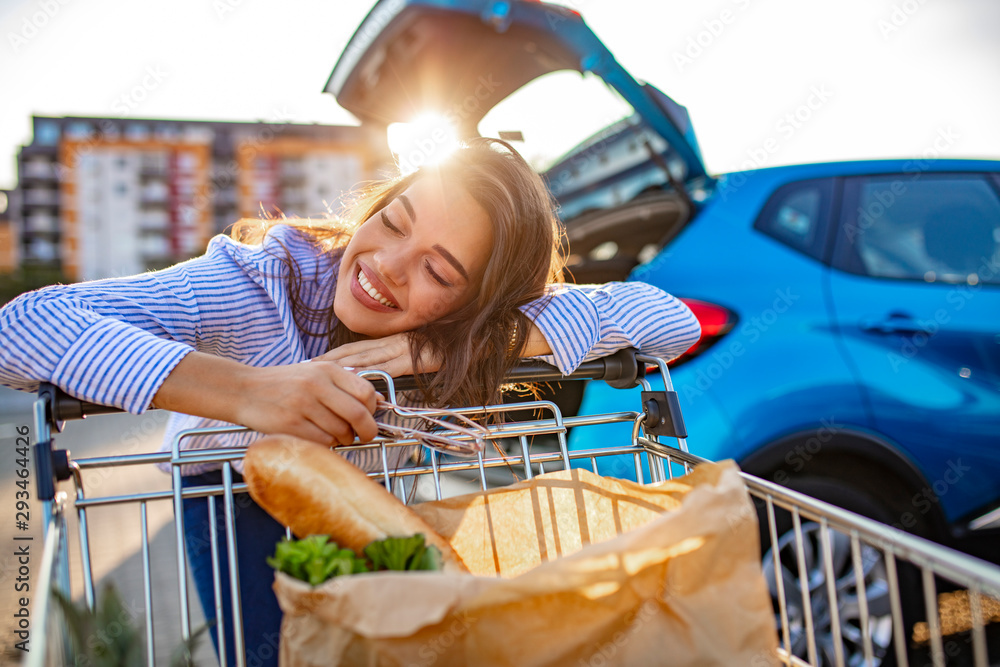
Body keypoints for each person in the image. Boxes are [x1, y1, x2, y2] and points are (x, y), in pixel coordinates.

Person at [0, 137, 700, 666]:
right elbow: (21, 326)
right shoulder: (259, 284)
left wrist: (466, 344)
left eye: (437, 269)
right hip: (233, 493)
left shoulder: (475, 327)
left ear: (479, 302)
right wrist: (255, 392)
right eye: (394, 223)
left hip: (377, 489)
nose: (386, 267)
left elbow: (670, 321)